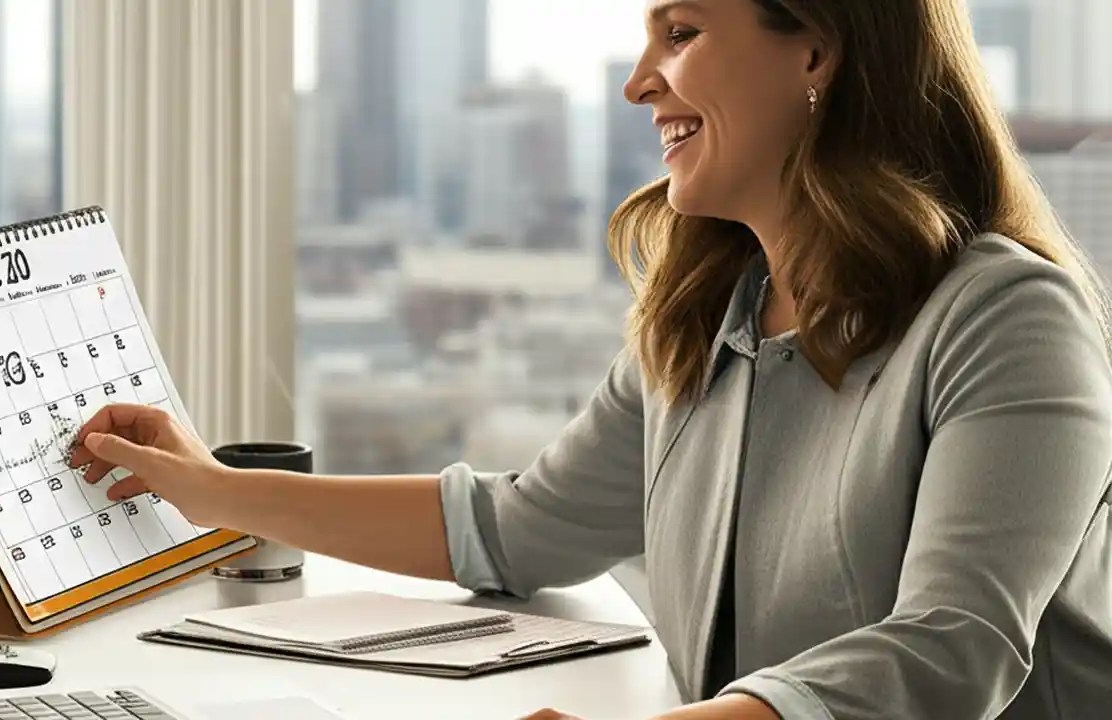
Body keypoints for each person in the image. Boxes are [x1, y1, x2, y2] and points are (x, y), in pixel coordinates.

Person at [68, 0, 1112, 718]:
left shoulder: (1006, 316)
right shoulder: (709, 318)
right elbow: (516, 526)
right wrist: (214, 492)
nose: (635, 82)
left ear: (816, 51)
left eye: (681, 30)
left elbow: (952, 645)